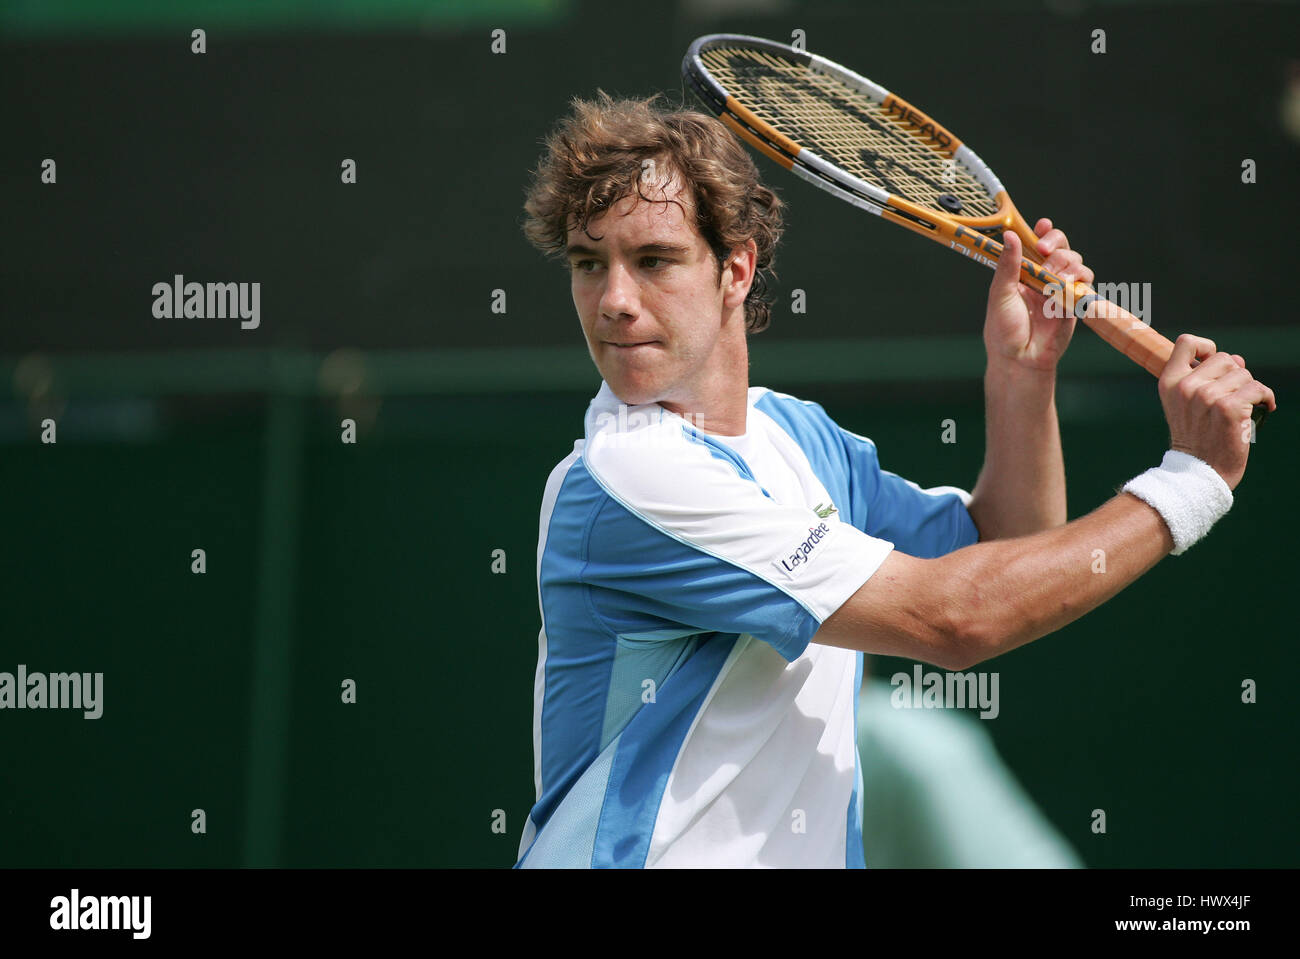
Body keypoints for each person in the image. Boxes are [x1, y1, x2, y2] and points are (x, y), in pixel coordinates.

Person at [513, 92, 1276, 868]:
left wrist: (1023, 377)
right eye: (587, 264)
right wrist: (1193, 480)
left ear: (736, 268)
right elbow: (958, 618)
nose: (612, 300)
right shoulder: (630, 473)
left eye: (652, 260)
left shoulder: (797, 435)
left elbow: (1008, 549)